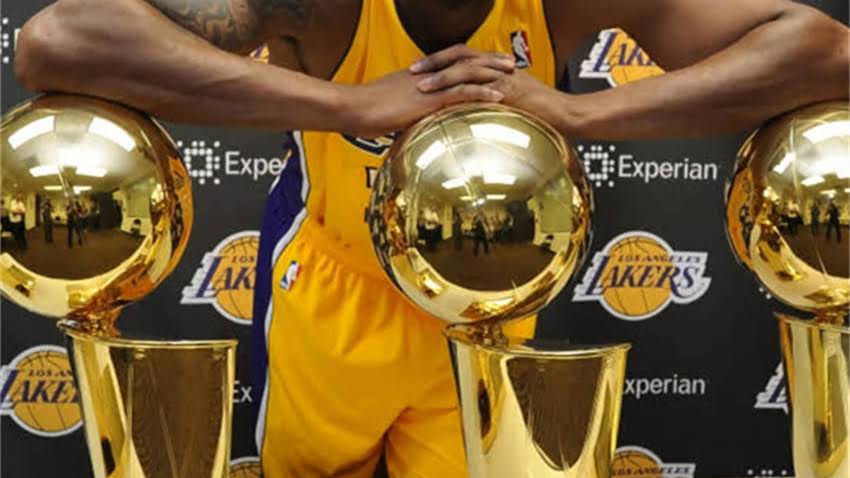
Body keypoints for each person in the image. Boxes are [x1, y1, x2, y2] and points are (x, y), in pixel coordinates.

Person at [15, 1, 848, 476]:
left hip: (478, 310)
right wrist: (351, 105)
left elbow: (822, 49)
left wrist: (581, 113)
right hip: (333, 304)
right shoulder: (323, 7)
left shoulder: (558, 4)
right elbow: (59, 41)